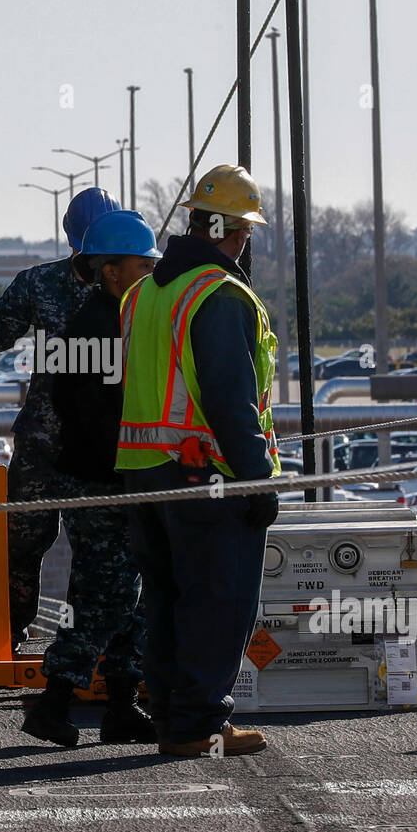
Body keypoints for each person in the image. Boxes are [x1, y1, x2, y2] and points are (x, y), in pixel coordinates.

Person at [115, 166, 281, 757]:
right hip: (207, 473)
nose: (244, 246)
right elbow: (230, 400)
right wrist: (257, 481)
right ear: (232, 233)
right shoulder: (219, 295)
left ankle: (172, 718)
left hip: (143, 472)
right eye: (244, 235)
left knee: (165, 599)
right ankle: (199, 725)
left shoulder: (143, 293)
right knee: (218, 600)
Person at [0, 187, 119, 646]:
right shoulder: (40, 283)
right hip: (44, 442)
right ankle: (5, 633)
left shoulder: (132, 286)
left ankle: (86, 645)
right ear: (73, 242)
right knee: (20, 542)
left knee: (98, 550)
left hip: (103, 444)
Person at [22, 211, 160, 747]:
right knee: (108, 595)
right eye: (142, 264)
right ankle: (54, 702)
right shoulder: (99, 328)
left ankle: (121, 705)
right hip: (103, 483)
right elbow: (89, 413)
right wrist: (124, 471)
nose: (150, 272)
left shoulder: (121, 320)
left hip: (119, 480)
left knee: (131, 593)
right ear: (111, 271)